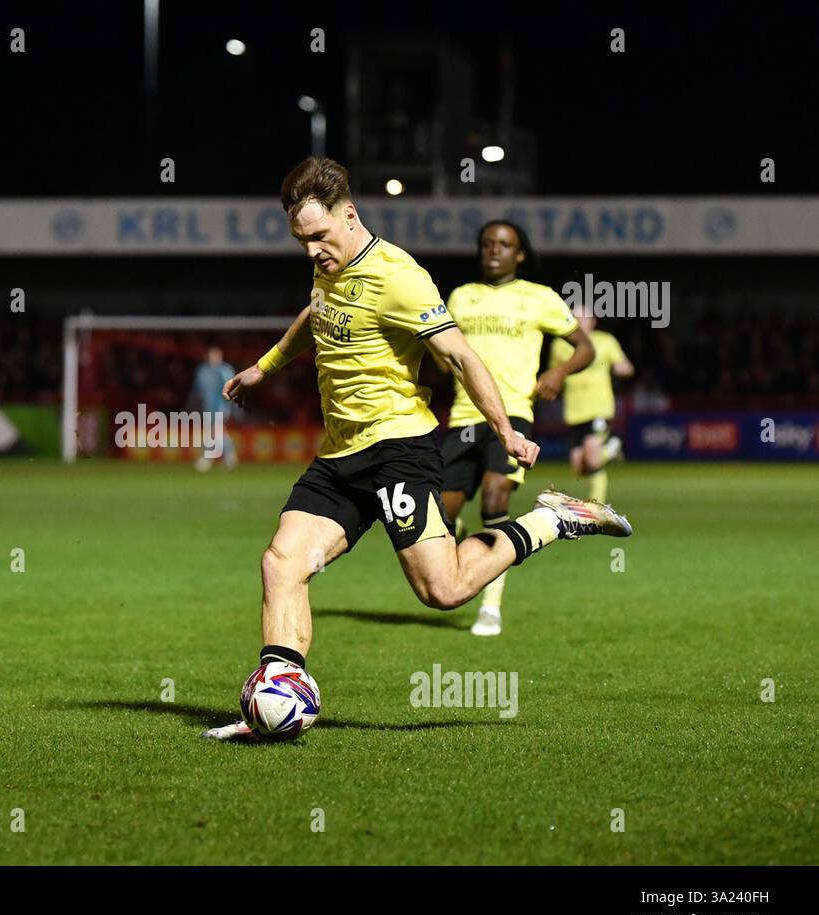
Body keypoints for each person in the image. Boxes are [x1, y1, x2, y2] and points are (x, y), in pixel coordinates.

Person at [208, 158, 631, 740]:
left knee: (444, 589)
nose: (311, 252)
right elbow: (318, 313)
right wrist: (265, 365)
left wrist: (506, 431)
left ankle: (553, 520)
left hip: (397, 449)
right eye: (301, 241)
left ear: (348, 215)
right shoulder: (327, 265)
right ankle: (278, 700)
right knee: (282, 562)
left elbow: (460, 356)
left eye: (319, 237)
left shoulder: (398, 275)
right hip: (340, 454)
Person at [439, 220, 596, 637]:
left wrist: (559, 373)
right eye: (487, 243)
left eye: (504, 245)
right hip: (462, 418)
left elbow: (586, 346)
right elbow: (445, 354)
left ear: (520, 254)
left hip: (512, 417)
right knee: (439, 518)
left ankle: (490, 608)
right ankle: (468, 544)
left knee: (495, 498)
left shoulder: (539, 298)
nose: (494, 250)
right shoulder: (461, 296)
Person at [549, 308, 633, 503]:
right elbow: (555, 374)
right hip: (574, 411)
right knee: (579, 468)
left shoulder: (605, 341)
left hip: (599, 408)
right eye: (575, 318)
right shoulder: (559, 345)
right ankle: (611, 449)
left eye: (583, 318)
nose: (579, 321)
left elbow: (626, 366)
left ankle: (597, 506)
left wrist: (623, 369)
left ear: (593, 321)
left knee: (593, 458)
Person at [190, 345, 238, 471]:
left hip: (221, 406)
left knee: (215, 431)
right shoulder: (203, 371)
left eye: (217, 355)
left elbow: (230, 388)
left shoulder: (225, 370)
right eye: (212, 355)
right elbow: (198, 390)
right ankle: (229, 457)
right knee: (216, 432)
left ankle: (208, 458)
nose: (215, 357)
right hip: (207, 406)